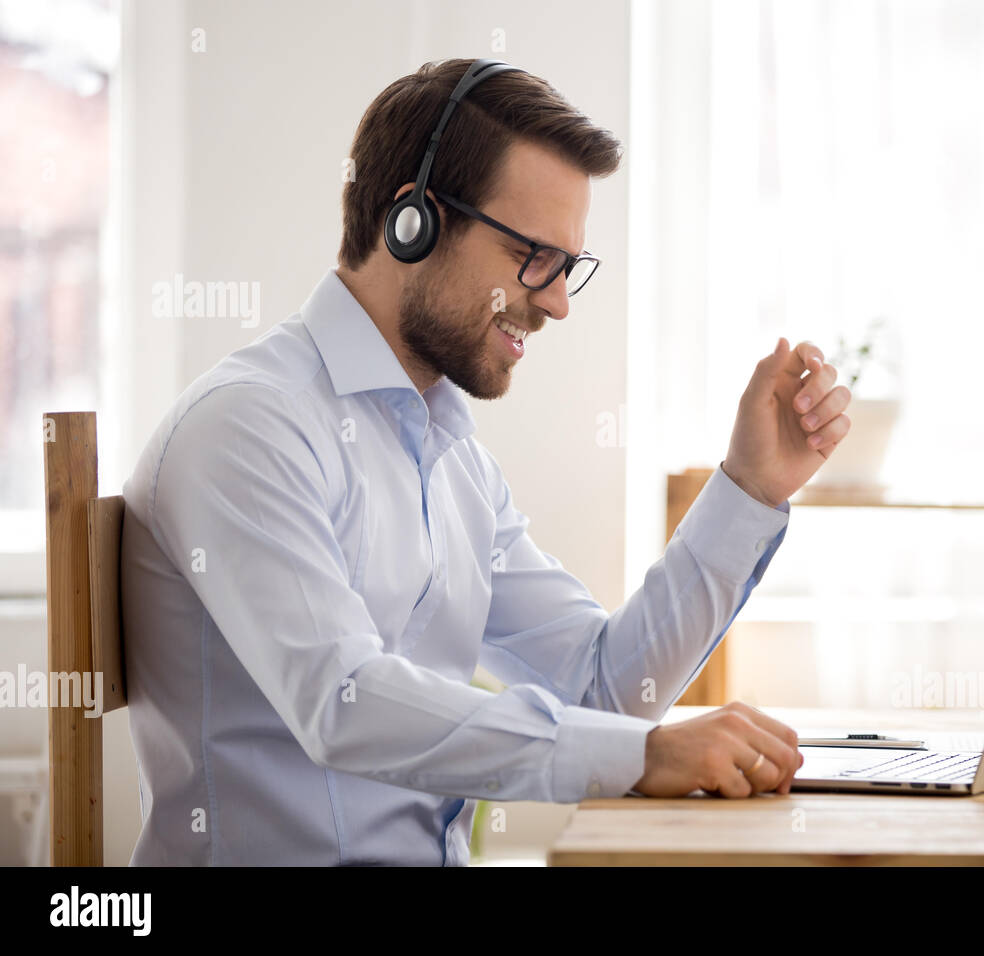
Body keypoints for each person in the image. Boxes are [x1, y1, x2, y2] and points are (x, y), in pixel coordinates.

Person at [121, 57, 852, 865]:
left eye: (567, 267)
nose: (557, 301)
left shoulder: (452, 459)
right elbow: (343, 703)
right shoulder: (248, 428)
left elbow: (601, 690)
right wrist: (639, 758)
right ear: (414, 222)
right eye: (532, 256)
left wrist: (749, 488)